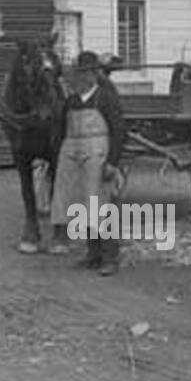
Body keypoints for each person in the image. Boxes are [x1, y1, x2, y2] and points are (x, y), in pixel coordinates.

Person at [52, 50, 126, 275]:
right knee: (82, 205)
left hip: (98, 155)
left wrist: (112, 162)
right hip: (74, 155)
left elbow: (118, 130)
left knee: (102, 204)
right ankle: (93, 254)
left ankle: (110, 257)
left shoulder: (106, 98)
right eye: (80, 73)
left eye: (87, 74)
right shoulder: (72, 101)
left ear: (95, 75)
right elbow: (60, 130)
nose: (83, 78)